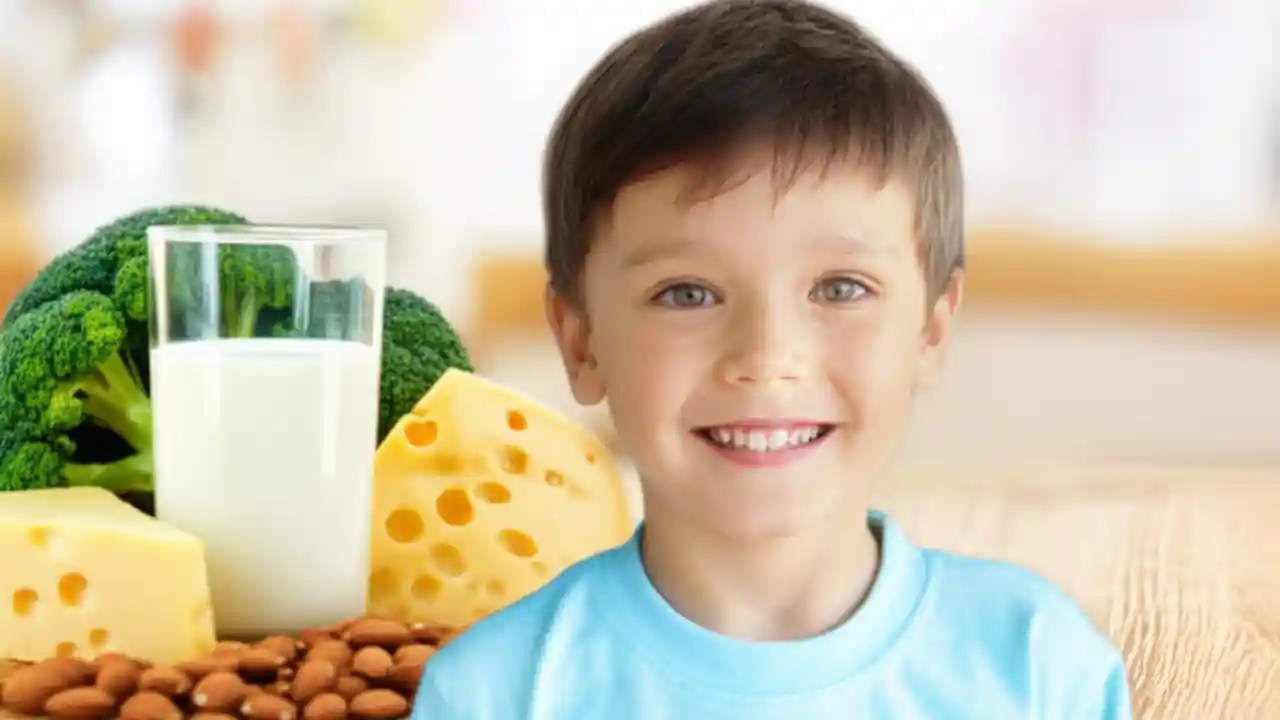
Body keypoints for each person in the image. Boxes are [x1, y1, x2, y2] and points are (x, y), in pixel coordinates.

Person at [413, 1, 1131, 717]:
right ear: (581, 342)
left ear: (930, 331)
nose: (765, 358)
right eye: (687, 293)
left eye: (841, 288)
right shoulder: (493, 693)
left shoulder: (1039, 669)